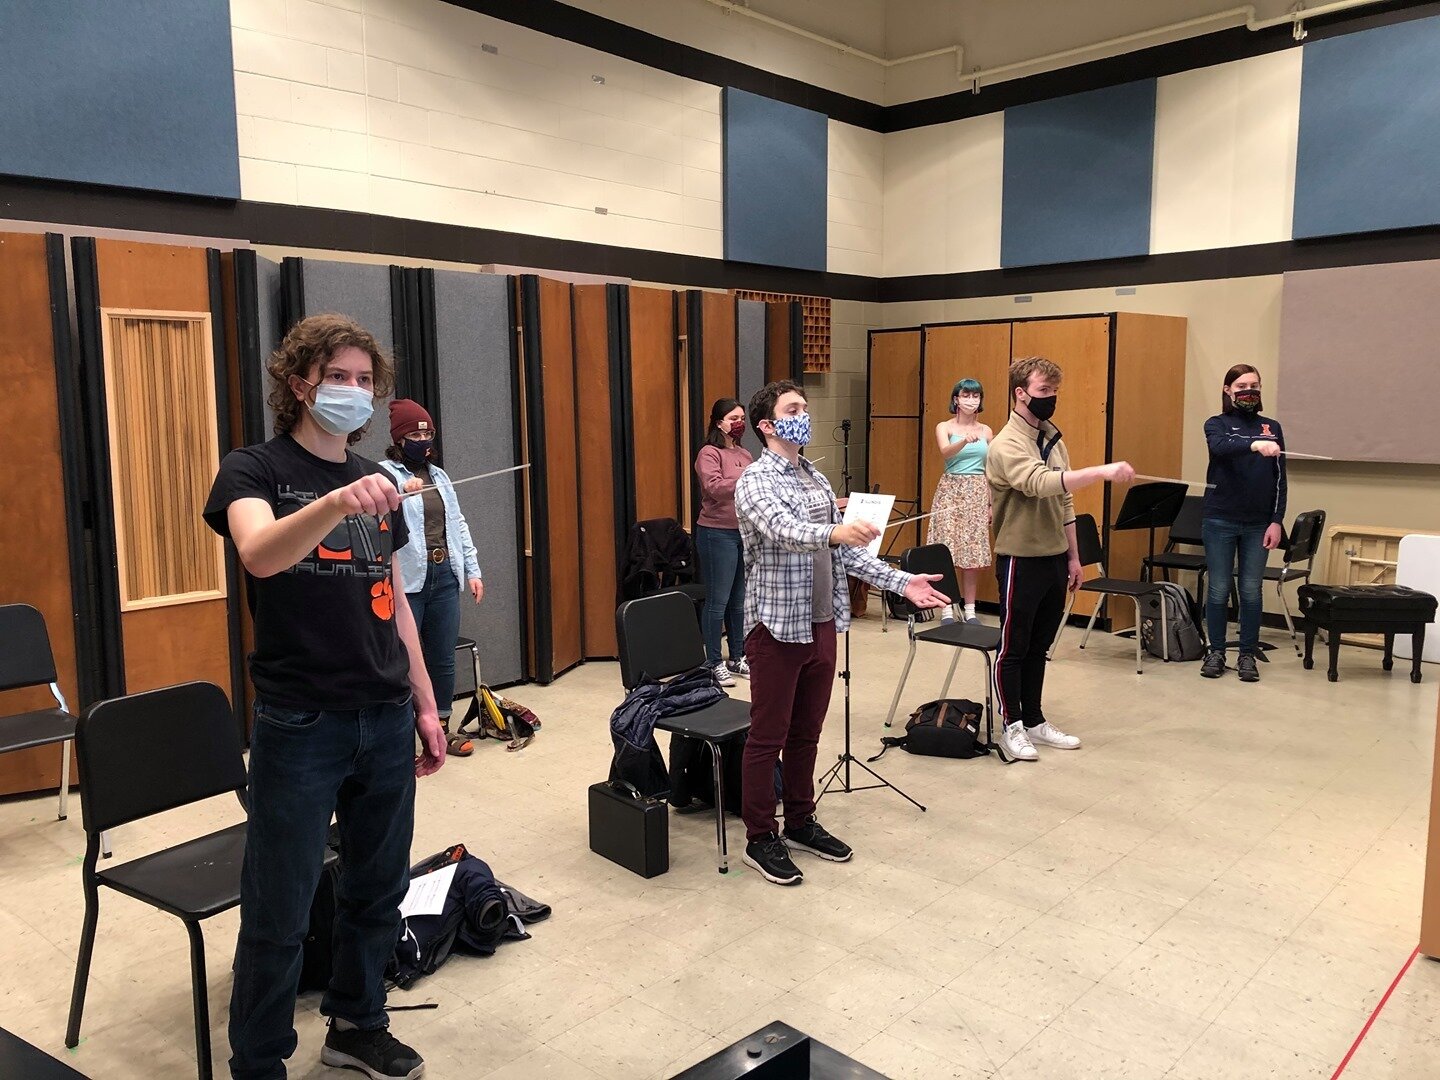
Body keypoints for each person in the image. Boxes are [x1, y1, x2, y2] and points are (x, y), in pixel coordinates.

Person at [203, 314, 444, 1080]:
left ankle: (358, 1024)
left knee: (378, 890)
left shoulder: (378, 479)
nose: (353, 392)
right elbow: (259, 554)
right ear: (298, 382)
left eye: (365, 380)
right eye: (336, 377)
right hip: (300, 720)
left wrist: (428, 703)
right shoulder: (254, 470)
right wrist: (337, 504)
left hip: (383, 714)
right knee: (278, 906)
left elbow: (394, 601)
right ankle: (260, 1059)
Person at [734, 380, 949, 885]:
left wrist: (901, 580)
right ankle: (760, 837)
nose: (802, 415)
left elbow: (846, 553)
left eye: (804, 408)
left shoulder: (813, 476)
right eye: (793, 410)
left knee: (808, 733)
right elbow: (784, 531)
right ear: (767, 426)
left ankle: (802, 820)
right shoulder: (756, 480)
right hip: (776, 628)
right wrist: (835, 530)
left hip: (822, 623)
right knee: (767, 737)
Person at [986, 357, 1134, 763]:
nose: (1051, 399)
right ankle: (1011, 725)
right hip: (1020, 558)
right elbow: (1039, 484)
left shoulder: (1052, 437)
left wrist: (1074, 557)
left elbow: (1065, 500)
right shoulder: (1006, 444)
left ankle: (1034, 719)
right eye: (1044, 391)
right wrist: (1101, 471)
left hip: (1054, 558)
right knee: (1013, 648)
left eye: (1055, 392)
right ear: (1020, 393)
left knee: (1040, 646)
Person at [379, 400, 485, 753]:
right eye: (415, 433)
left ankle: (441, 730)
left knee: (442, 655)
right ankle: (400, 735)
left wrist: (472, 570)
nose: (422, 439)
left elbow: (457, 524)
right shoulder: (383, 474)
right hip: (407, 579)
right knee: (401, 658)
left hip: (444, 575)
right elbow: (372, 518)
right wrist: (397, 494)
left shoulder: (439, 476)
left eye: (428, 433)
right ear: (399, 438)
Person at [1200, 364, 1287, 683]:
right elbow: (1219, 448)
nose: (1249, 390)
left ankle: (1247, 655)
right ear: (1228, 390)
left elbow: (1281, 480)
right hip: (1219, 519)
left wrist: (1276, 521)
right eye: (1241, 385)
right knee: (1219, 588)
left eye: (1255, 384)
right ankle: (1217, 651)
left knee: (1250, 590)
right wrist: (1253, 445)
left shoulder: (1272, 426)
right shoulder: (1216, 424)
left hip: (1258, 525)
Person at [694, 397, 755, 688]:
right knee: (718, 600)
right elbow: (715, 488)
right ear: (719, 422)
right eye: (733, 418)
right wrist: (748, 478)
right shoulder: (709, 453)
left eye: (741, 417)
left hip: (742, 532)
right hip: (716, 532)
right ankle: (713, 662)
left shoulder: (745, 453)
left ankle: (737, 656)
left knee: (739, 600)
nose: (739, 422)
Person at [927, 378, 993, 625]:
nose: (971, 401)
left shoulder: (986, 431)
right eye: (966, 395)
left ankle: (971, 608)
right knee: (947, 549)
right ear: (956, 399)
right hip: (951, 489)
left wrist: (991, 504)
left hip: (977, 490)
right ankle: (946, 606)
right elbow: (945, 452)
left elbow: (991, 469)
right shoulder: (944, 426)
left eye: (975, 396)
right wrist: (964, 440)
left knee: (972, 555)